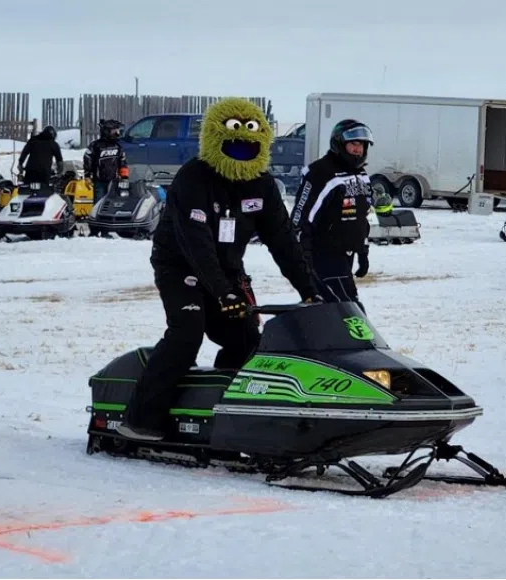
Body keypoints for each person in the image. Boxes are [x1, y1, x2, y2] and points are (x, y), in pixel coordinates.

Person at [117, 97, 322, 442]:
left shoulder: (262, 185)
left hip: (226, 269)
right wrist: (222, 292)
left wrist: (310, 290)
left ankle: (223, 409)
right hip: (180, 265)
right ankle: (140, 419)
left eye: (250, 140)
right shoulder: (194, 178)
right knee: (187, 333)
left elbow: (284, 241)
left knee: (246, 339)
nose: (242, 147)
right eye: (233, 140)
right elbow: (194, 241)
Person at [290, 119, 374, 312]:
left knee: (330, 309)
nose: (357, 149)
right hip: (323, 256)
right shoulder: (321, 173)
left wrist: (363, 252)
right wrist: (304, 259)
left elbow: (362, 218)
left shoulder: (361, 175)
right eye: (353, 144)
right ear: (340, 144)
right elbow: (301, 218)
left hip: (346, 256)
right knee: (349, 309)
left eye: (361, 145)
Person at [83, 119, 129, 203]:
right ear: (106, 131)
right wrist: (87, 176)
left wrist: (124, 177)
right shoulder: (95, 146)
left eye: (117, 130)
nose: (117, 133)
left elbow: (123, 162)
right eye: (114, 131)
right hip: (99, 182)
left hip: (114, 182)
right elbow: (87, 159)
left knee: (113, 203)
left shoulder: (118, 146)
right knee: (99, 203)